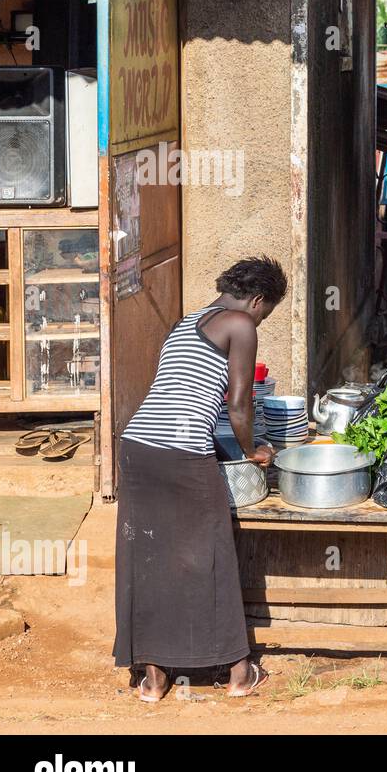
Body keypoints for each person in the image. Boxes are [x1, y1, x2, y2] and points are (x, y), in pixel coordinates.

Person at [114, 256, 287, 702]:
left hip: (137, 447)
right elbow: (240, 404)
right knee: (211, 552)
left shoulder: (184, 323)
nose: (259, 322)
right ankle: (238, 673)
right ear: (257, 300)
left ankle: (153, 679)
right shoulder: (241, 324)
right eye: (264, 314)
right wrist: (253, 451)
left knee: (149, 556)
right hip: (184, 454)